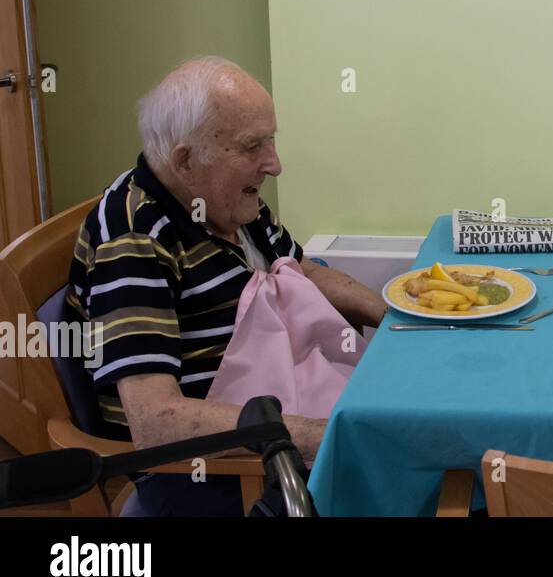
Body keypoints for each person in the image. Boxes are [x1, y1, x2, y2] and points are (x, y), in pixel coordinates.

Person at [66, 56, 387, 515]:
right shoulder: (132, 235)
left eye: (271, 141)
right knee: (423, 469)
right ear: (185, 160)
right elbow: (155, 421)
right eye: (253, 146)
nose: (274, 164)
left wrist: (391, 317)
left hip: (284, 411)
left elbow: (303, 272)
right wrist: (326, 431)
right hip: (220, 470)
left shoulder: (228, 205)